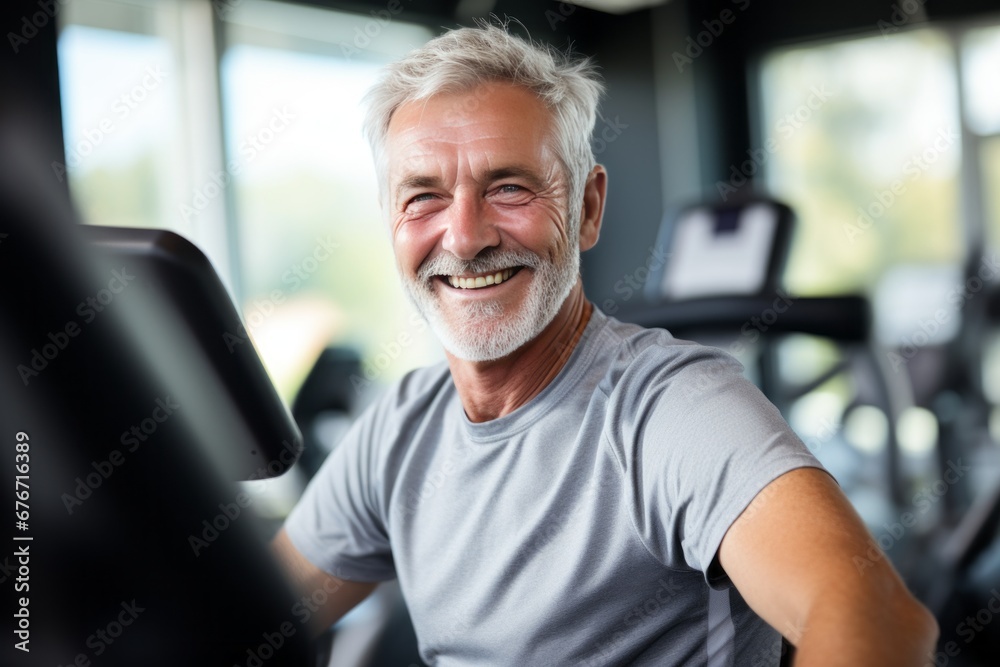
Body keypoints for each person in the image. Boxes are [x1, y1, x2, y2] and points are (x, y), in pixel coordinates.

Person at [273, 23, 938, 665]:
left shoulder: (673, 406)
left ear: (588, 208)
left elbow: (874, 612)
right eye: (423, 197)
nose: (465, 235)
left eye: (509, 187)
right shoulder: (400, 426)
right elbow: (248, 620)